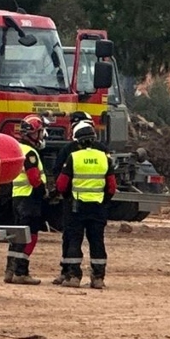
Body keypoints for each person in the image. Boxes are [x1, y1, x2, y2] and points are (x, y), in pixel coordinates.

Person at [54, 118, 117, 289]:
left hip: (76, 207)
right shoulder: (104, 157)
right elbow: (111, 186)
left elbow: (61, 184)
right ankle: (98, 278)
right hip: (98, 208)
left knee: (74, 240)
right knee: (97, 241)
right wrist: (103, 201)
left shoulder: (73, 156)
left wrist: (68, 197)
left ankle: (73, 276)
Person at [3, 115, 48, 285]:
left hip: (17, 197)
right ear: (33, 134)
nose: (41, 136)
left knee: (17, 236)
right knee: (30, 237)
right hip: (30, 198)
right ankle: (21, 272)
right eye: (40, 133)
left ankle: (10, 271)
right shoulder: (30, 153)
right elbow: (34, 178)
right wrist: (43, 192)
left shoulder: (17, 149)